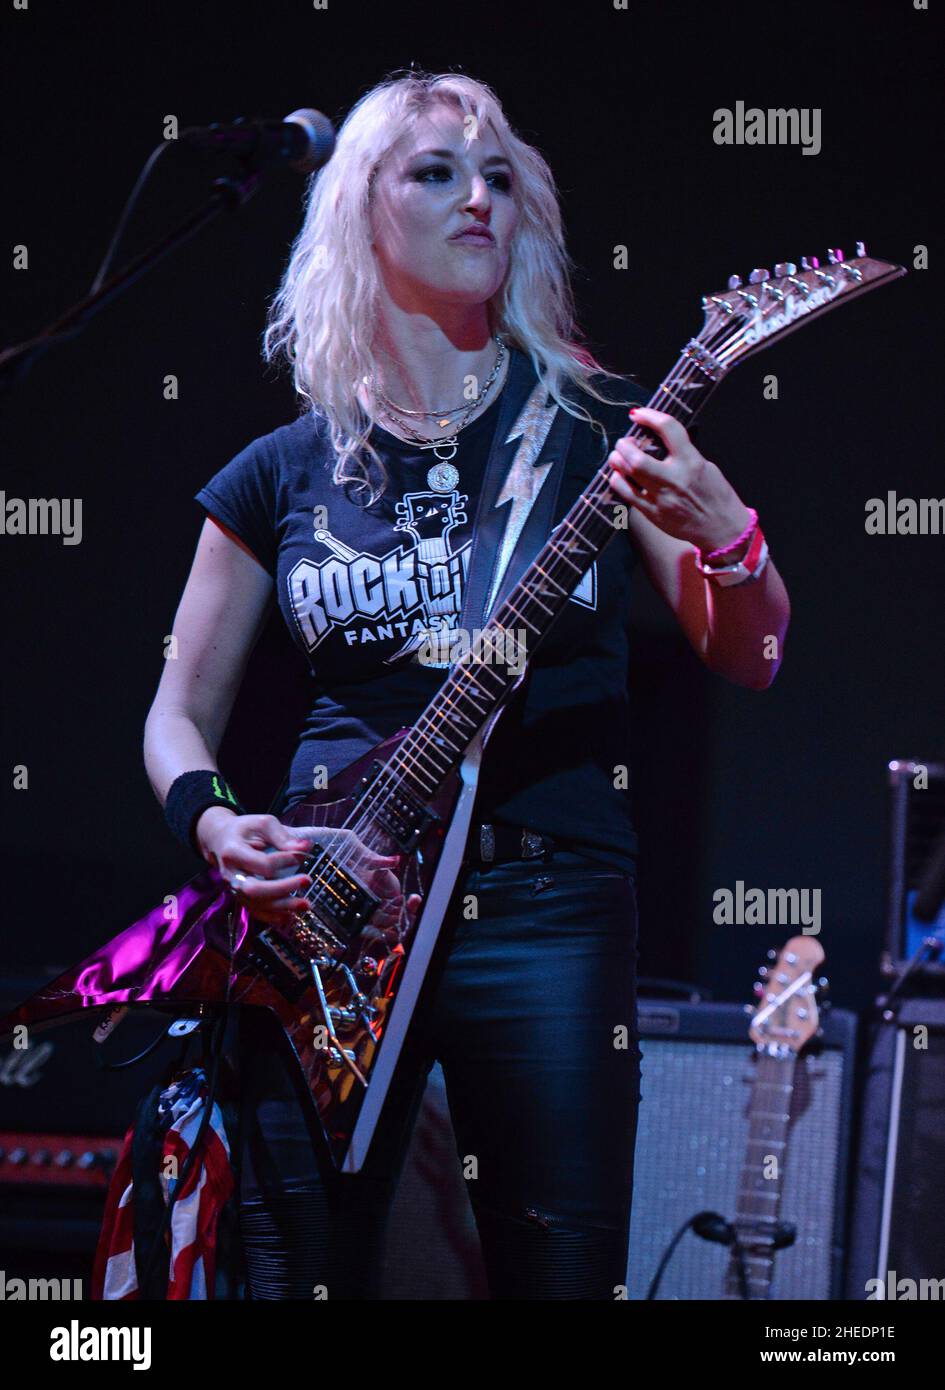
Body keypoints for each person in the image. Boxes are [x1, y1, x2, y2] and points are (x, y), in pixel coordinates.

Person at [143, 69, 790, 1300]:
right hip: (326, 919)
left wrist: (729, 533)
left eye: (498, 175)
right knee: (293, 1271)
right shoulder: (280, 471)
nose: (478, 198)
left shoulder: (593, 426)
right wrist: (217, 822)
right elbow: (175, 715)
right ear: (360, 211)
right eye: (436, 173)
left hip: (545, 903)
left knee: (559, 1264)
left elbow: (752, 653)